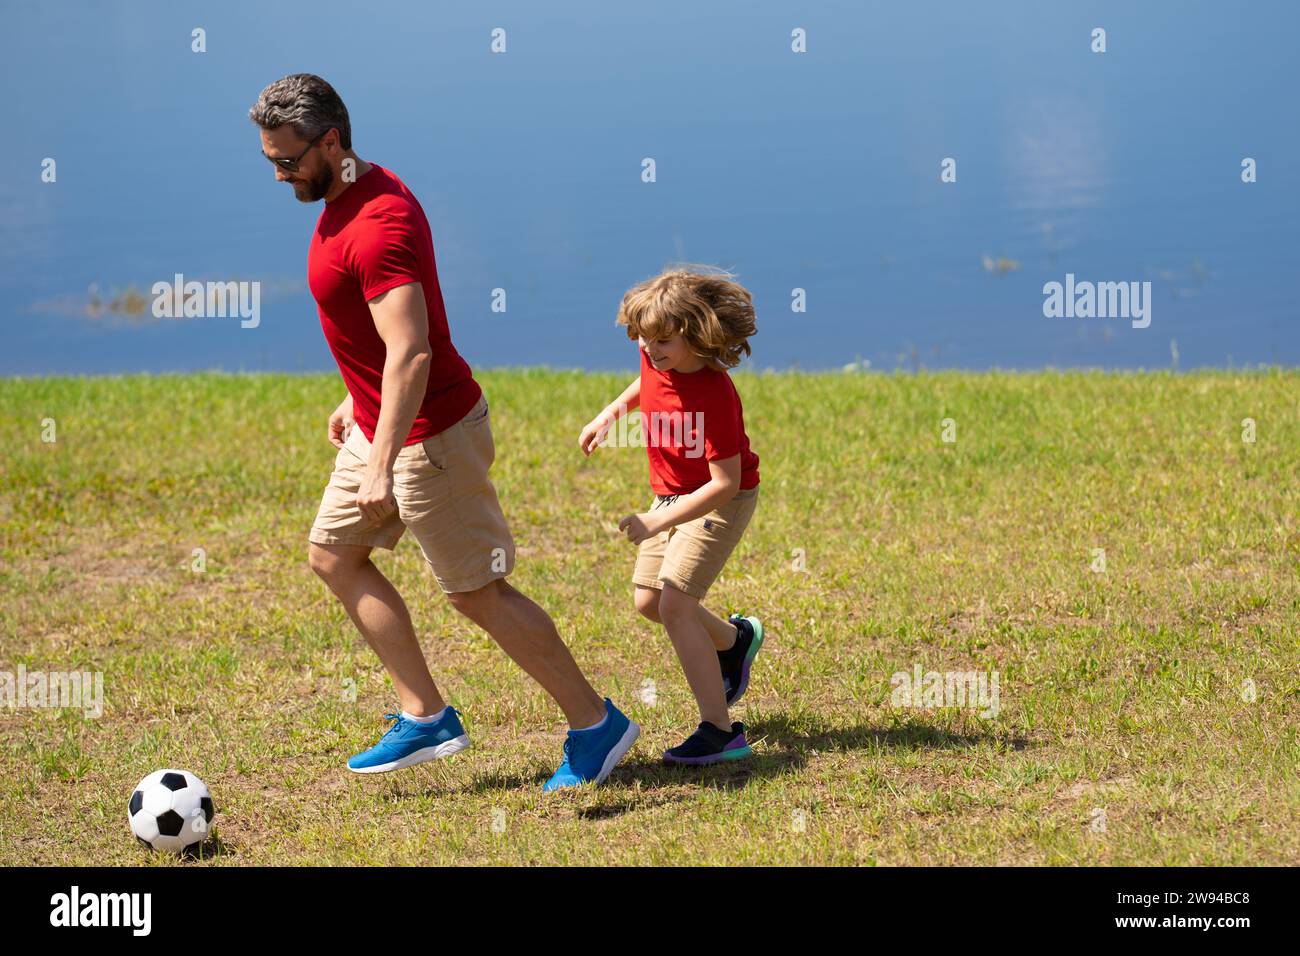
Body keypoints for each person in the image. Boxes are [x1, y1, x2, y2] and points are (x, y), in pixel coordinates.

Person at [248, 73, 637, 790]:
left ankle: (596, 725)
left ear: (331, 141)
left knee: (476, 593)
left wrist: (380, 464)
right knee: (333, 554)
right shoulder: (351, 188)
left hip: (429, 436)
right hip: (383, 419)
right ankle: (425, 715)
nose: (279, 174)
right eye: (270, 159)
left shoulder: (377, 224)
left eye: (288, 159)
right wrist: (354, 394)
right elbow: (382, 336)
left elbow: (414, 350)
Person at [578, 266, 764, 764]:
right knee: (648, 601)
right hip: (670, 496)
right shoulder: (655, 361)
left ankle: (721, 732)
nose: (649, 350)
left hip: (719, 500)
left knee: (675, 605)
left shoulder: (715, 394)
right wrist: (608, 416)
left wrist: (657, 522)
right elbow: (643, 387)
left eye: (662, 340)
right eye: (641, 339)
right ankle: (733, 642)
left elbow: (723, 483)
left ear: (697, 337)